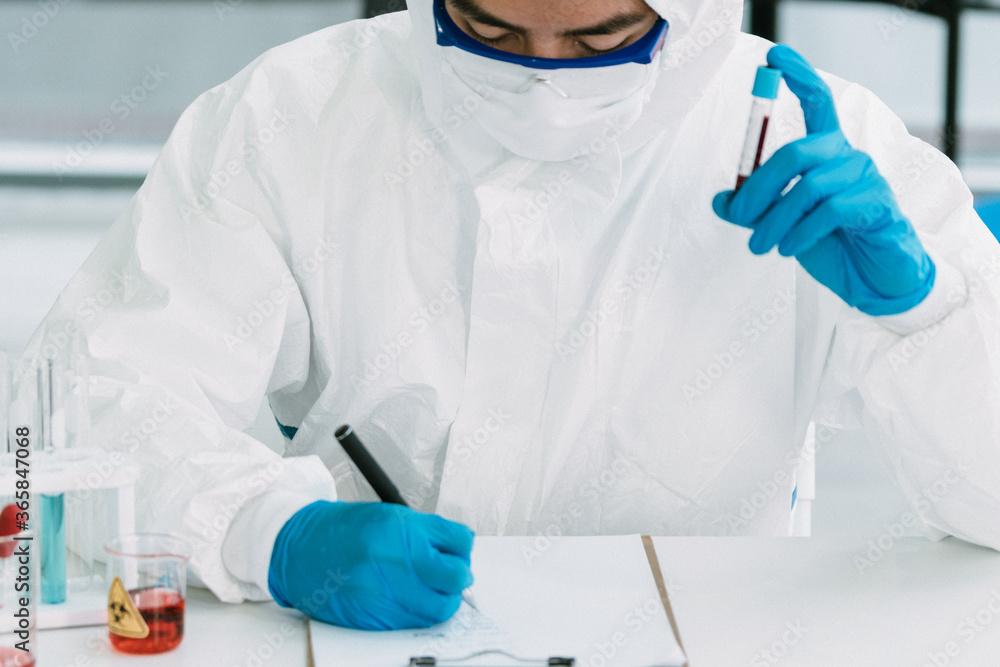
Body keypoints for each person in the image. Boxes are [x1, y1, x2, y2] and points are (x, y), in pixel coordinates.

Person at [22, 0, 1000, 630]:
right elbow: (86, 407)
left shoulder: (807, 144)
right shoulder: (293, 113)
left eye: (602, 39)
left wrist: (923, 311)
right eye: (489, 31)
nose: (544, 83)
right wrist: (267, 532)